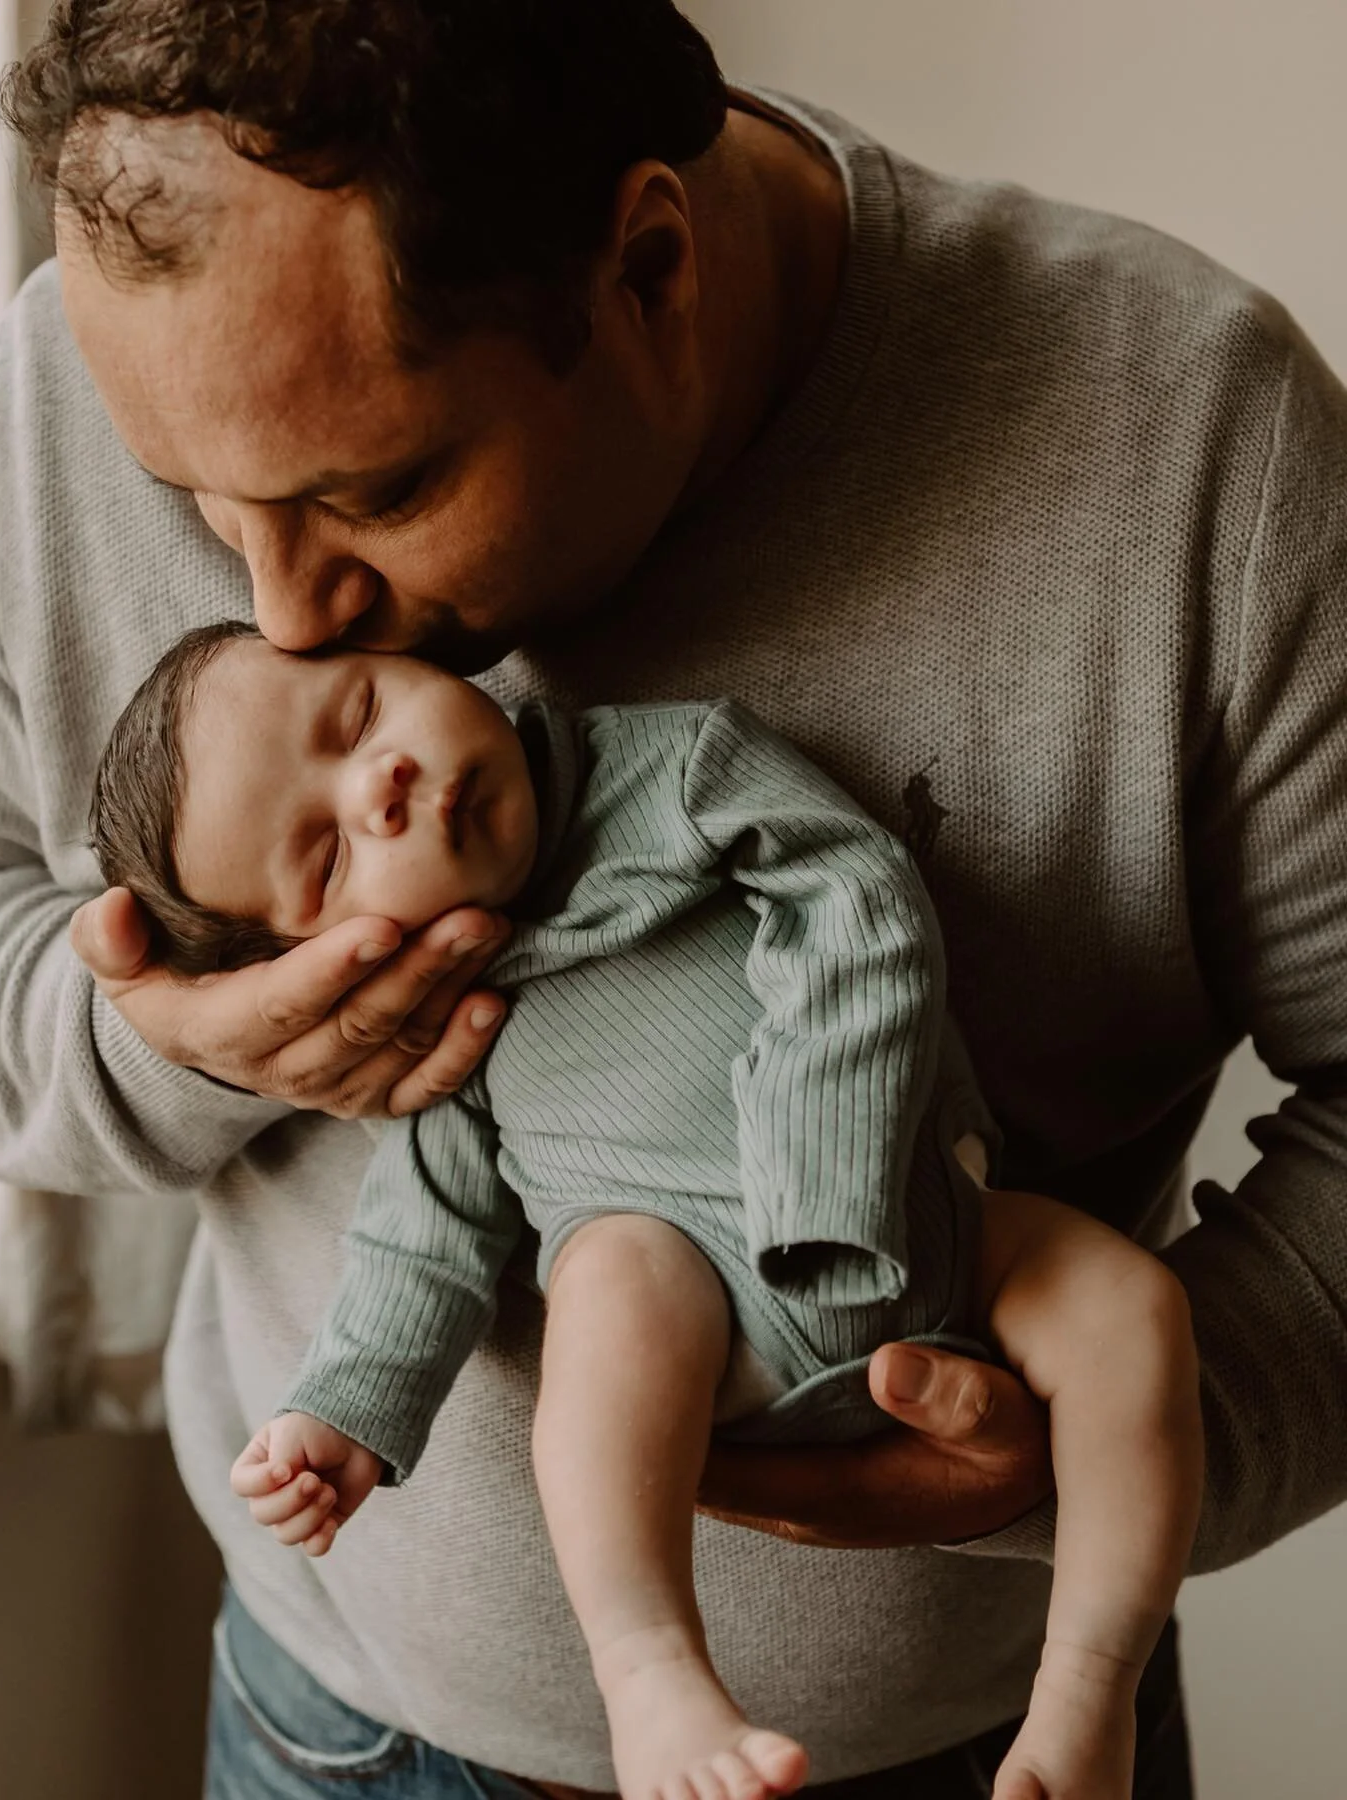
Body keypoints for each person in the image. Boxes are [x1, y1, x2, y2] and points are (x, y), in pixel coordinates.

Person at [0, 0, 1341, 1792]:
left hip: (984, 1753)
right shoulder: (91, 365)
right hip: (341, 1738)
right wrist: (193, 1050)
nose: (278, 615)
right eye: (184, 500)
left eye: (379, 489)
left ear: (649, 273)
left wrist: (1141, 1438)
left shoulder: (1196, 443)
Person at [90, 620, 1201, 1800]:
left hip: (929, 1224)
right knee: (611, 1287)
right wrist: (346, 1410)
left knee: (1131, 1305)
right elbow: (422, 1230)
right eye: (325, 862)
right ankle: (652, 1674)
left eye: (360, 713)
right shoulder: (451, 1016)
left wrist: (826, 1171)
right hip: (684, 1309)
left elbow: (859, 895)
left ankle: (1087, 1698)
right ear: (323, 965)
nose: (384, 784)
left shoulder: (680, 774)